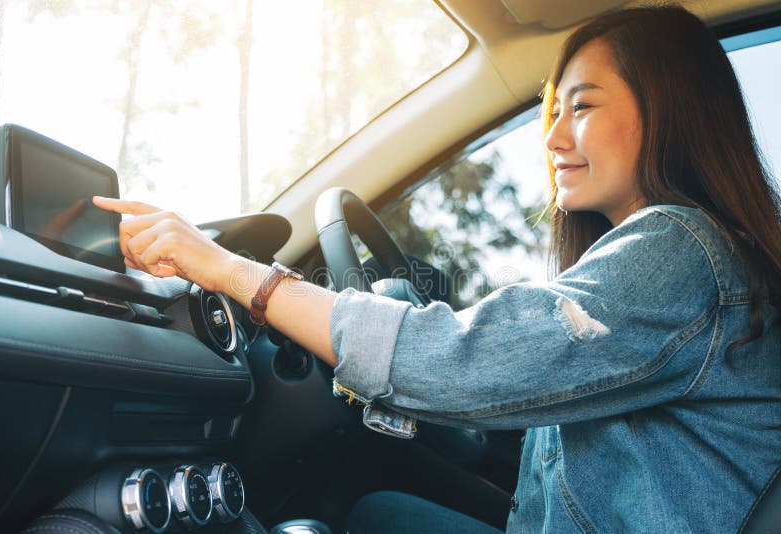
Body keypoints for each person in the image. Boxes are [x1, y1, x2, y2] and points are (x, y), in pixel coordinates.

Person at [93, 5, 781, 532]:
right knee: (378, 507)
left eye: (584, 106)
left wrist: (228, 270)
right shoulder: (693, 255)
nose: (553, 136)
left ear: (667, 113)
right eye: (554, 109)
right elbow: (501, 369)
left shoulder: (679, 248)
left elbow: (460, 360)